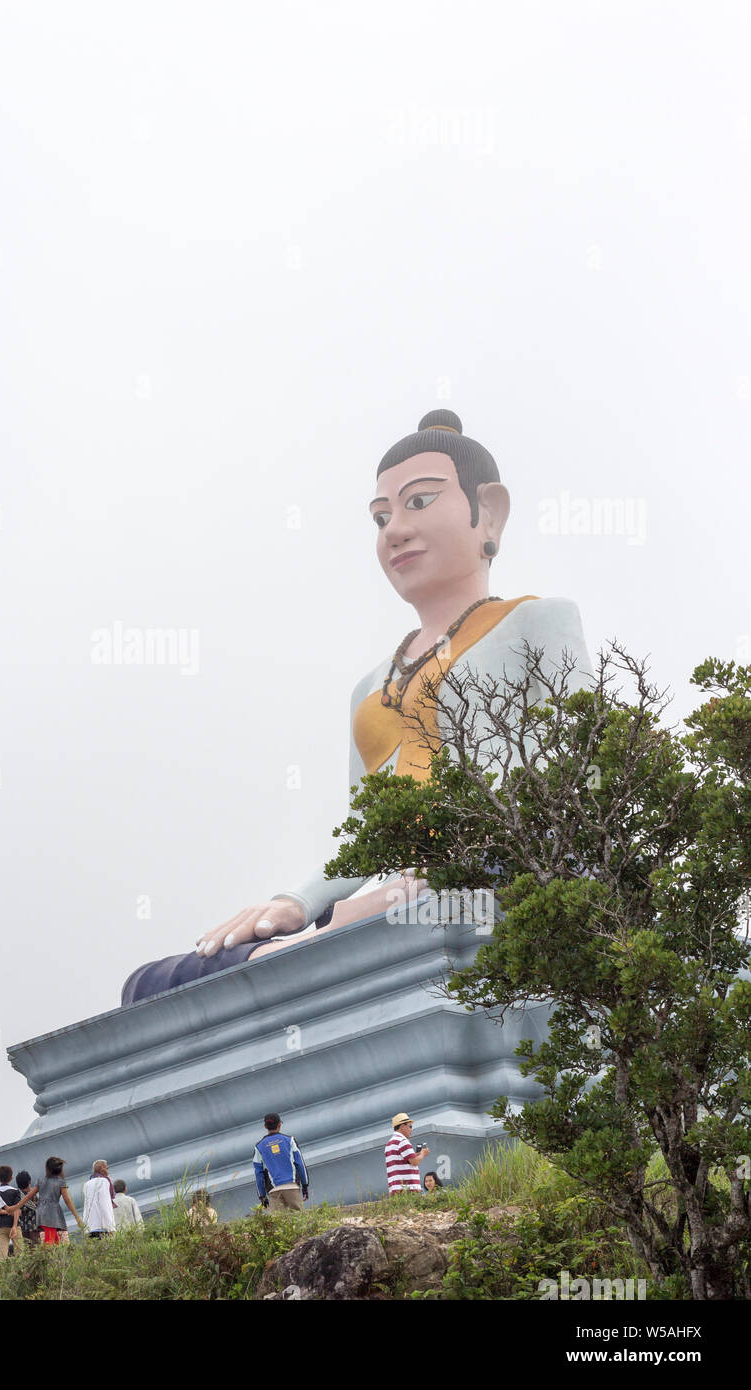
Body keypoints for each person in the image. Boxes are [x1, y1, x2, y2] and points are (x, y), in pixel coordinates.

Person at [123, 409, 592, 1002]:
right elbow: (370, 840)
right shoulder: (369, 686)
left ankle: (307, 957)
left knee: (421, 910)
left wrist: (416, 886)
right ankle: (294, 954)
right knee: (154, 984)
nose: (395, 529)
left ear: (489, 514)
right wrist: (297, 902)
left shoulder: (539, 622)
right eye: (381, 516)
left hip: (501, 875)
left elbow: (569, 782)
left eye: (419, 502)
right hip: (388, 901)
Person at [253, 1113, 309, 1211]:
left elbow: (258, 1174)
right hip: (292, 1186)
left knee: (279, 1223)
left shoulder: (259, 1146)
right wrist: (305, 1186)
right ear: (279, 1125)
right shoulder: (290, 1140)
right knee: (299, 1222)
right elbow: (300, 1165)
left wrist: (262, 1197)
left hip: (274, 1191)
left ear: (265, 1126)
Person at [35, 1156, 82, 1245]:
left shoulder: (41, 1181)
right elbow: (67, 1200)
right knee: (55, 1243)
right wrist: (77, 1217)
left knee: (50, 1242)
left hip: (43, 1218)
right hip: (55, 1217)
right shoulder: (60, 1182)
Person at [386, 1113, 429, 1193]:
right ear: (402, 1126)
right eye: (410, 1126)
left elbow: (401, 1160)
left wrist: (416, 1155)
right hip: (409, 1189)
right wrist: (423, 1154)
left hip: (394, 1189)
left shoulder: (389, 1144)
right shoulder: (403, 1141)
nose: (411, 1129)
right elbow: (414, 1162)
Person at [81, 1160, 117, 1239]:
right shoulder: (103, 1181)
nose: (108, 1170)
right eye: (107, 1168)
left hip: (89, 1226)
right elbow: (105, 1204)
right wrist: (110, 1227)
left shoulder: (87, 1184)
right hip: (101, 1226)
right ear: (102, 1169)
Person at [0, 1165, 20, 1259]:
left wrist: (7, 1211)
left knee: (1, 1257)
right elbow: (17, 1210)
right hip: (14, 1225)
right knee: (21, 1253)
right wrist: (15, 1226)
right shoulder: (15, 1191)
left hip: (0, 1226)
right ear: (11, 1178)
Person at [15, 1170, 40, 1249]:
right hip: (34, 1228)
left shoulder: (17, 1196)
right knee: (37, 1249)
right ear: (29, 1182)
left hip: (23, 1230)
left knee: (28, 1250)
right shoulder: (33, 1194)